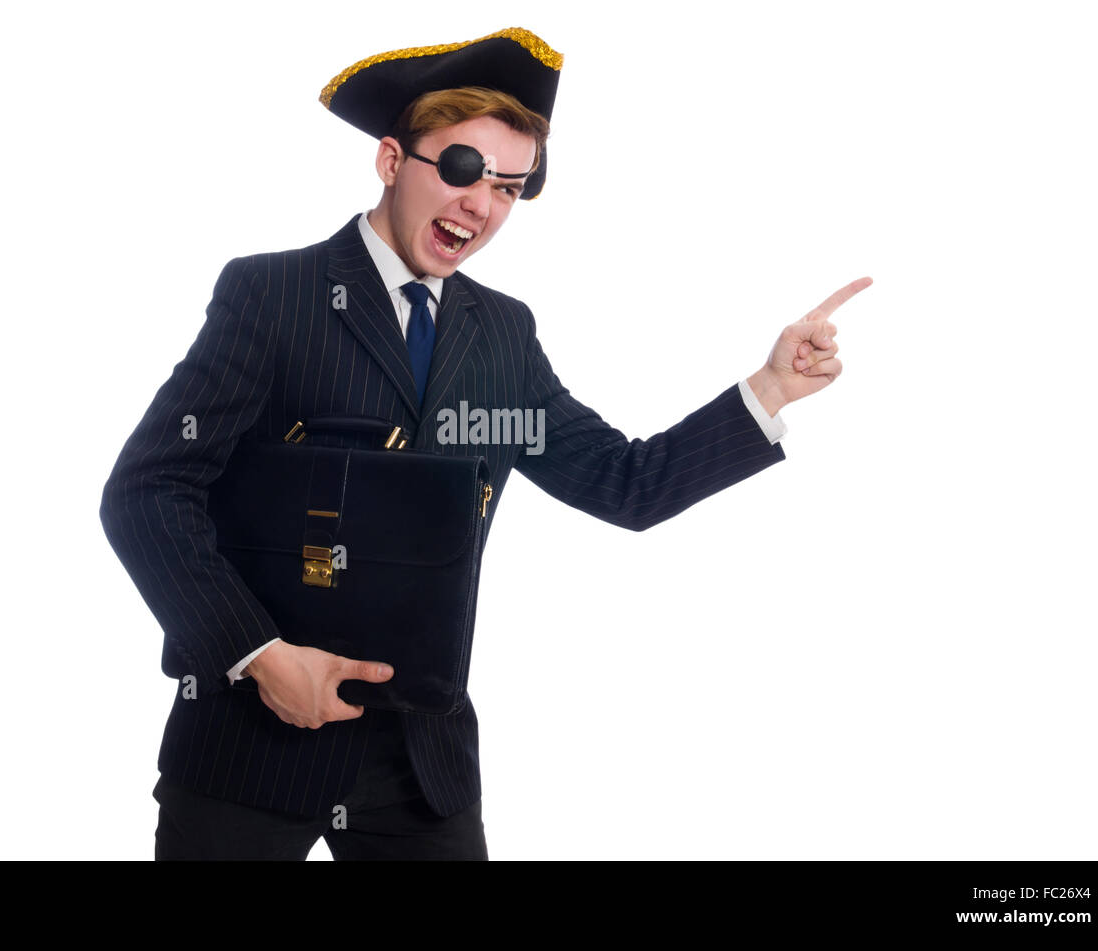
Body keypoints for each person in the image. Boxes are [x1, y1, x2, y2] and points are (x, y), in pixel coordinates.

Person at [99, 27, 871, 861]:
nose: (482, 203)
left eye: (509, 186)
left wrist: (770, 389)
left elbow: (624, 481)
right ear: (392, 161)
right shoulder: (271, 295)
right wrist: (259, 656)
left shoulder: (501, 335)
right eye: (464, 169)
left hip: (419, 767)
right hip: (247, 740)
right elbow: (149, 490)